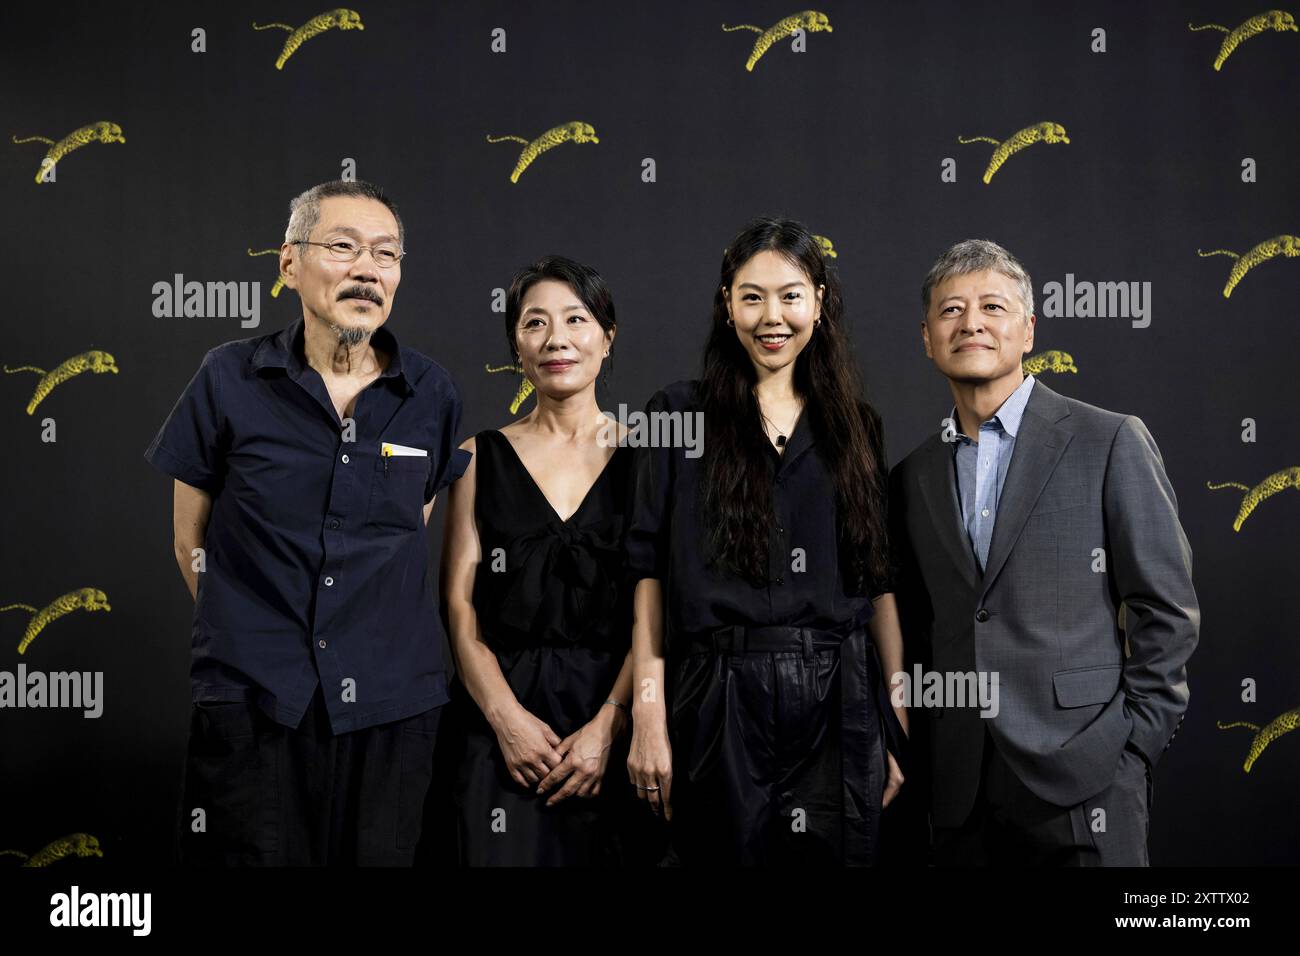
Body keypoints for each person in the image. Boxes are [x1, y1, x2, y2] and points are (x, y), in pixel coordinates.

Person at [143, 180, 470, 865]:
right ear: (289, 263)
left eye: (386, 254)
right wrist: (248, 638)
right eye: (342, 247)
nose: (366, 269)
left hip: (391, 705)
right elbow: (187, 541)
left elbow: (407, 534)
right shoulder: (228, 378)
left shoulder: (431, 393)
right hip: (255, 700)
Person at [888, 238, 1199, 866]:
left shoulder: (1108, 440)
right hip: (960, 789)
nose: (970, 322)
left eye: (992, 307)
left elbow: (1167, 611)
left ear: (1028, 329)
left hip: (1087, 777)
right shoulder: (911, 475)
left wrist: (1131, 745)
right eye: (950, 311)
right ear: (926, 337)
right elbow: (923, 626)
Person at [624, 217, 908, 866]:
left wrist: (896, 722)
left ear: (820, 302)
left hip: (841, 699)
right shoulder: (675, 414)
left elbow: (875, 580)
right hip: (715, 695)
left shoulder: (858, 428)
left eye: (790, 295)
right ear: (727, 307)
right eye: (751, 296)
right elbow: (645, 571)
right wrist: (646, 711)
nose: (771, 317)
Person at [432, 256, 660, 865]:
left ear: (607, 338)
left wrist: (610, 726)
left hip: (617, 717)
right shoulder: (477, 457)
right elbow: (458, 607)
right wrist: (506, 719)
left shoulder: (648, 458)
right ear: (516, 345)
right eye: (535, 323)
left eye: (575, 320)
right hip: (497, 714)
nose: (556, 339)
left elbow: (656, 608)